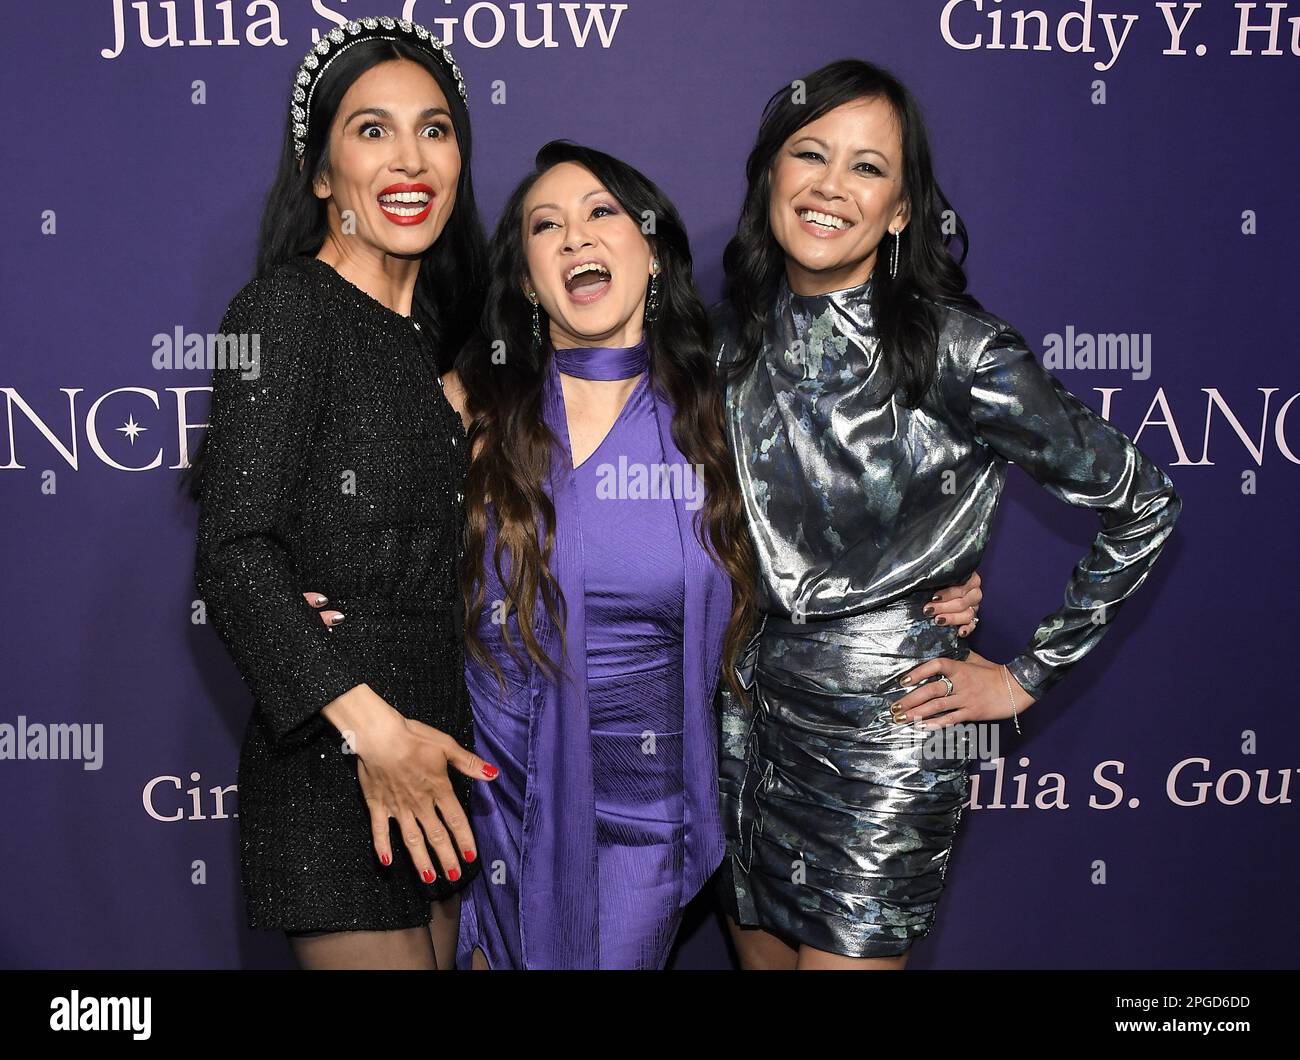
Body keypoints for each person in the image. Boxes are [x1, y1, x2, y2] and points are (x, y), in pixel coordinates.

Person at [712, 58, 1182, 970]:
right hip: (745, 719)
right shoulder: (728, 340)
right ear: (771, 173)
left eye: (867, 167)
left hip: (896, 727)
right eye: (810, 154)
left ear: (901, 212)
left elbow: (1145, 501)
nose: (829, 186)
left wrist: (1023, 677)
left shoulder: (959, 352)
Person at [188, 17, 496, 970]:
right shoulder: (287, 309)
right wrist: (373, 731)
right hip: (336, 772)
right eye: (372, 130)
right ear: (321, 173)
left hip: (436, 765)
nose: (410, 159)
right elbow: (234, 557)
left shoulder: (427, 346)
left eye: (434, 129)